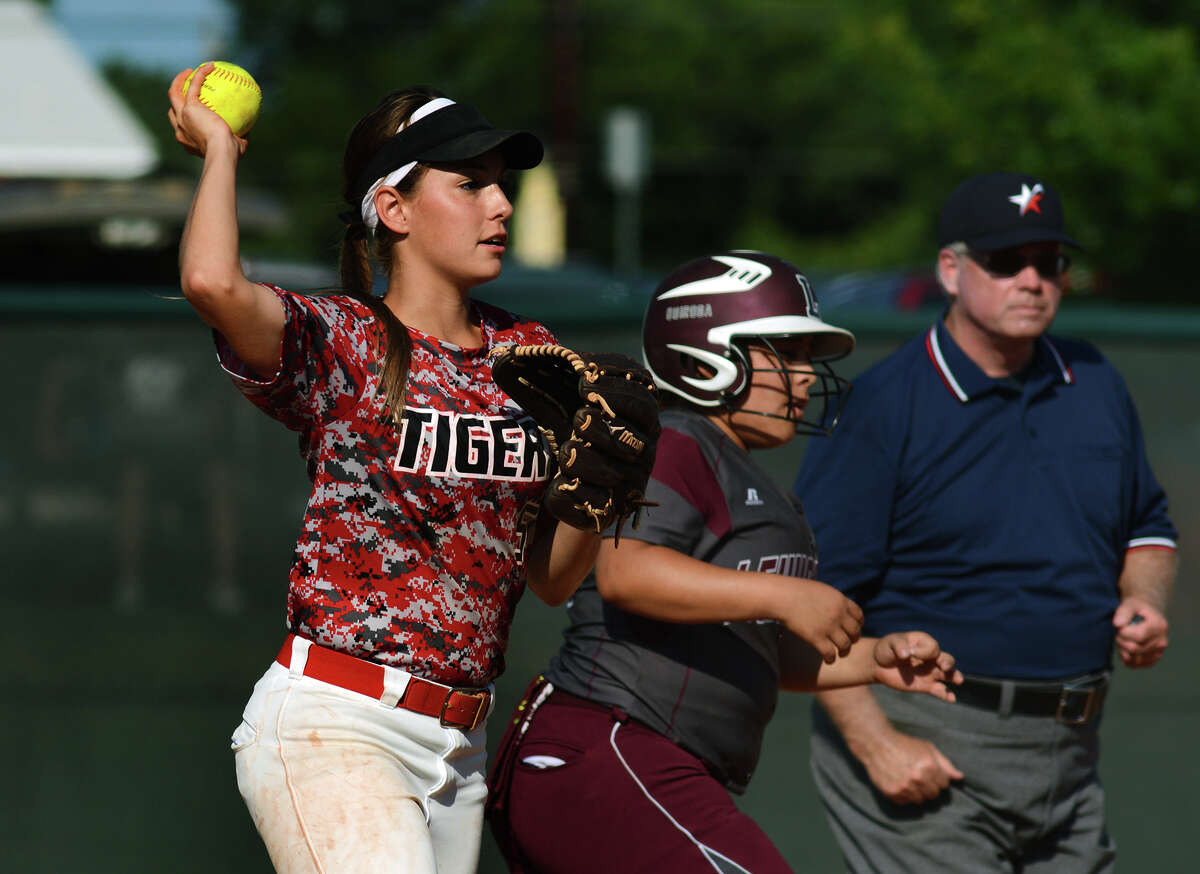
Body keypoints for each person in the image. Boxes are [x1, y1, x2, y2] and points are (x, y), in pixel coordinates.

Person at [167, 66, 619, 874]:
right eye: (470, 183)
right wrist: (220, 151)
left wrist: (599, 486)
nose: (501, 204)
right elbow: (211, 282)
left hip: (460, 749)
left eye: (501, 184)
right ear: (395, 207)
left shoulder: (530, 353)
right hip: (339, 723)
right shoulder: (346, 340)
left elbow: (551, 580)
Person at [485, 251, 964, 874]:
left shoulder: (745, 476)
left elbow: (754, 645)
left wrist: (874, 660)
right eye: (787, 353)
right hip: (605, 746)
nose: (806, 377)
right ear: (704, 357)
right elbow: (627, 572)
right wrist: (786, 596)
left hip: (646, 762)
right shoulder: (678, 441)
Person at [795, 172, 1179, 872]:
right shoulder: (886, 403)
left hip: (1072, 747)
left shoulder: (1094, 379)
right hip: (931, 732)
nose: (1031, 280)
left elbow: (1147, 526)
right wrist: (876, 744)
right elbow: (813, 596)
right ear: (951, 269)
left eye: (1049, 262)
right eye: (1006, 261)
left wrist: (1144, 600)